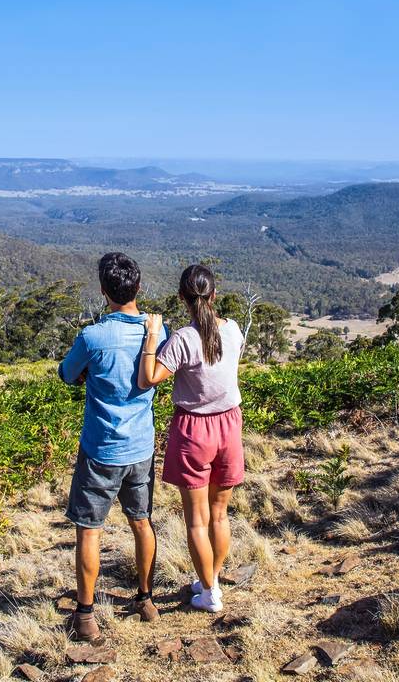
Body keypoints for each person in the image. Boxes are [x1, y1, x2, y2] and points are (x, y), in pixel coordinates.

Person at [58, 252, 166, 641]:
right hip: (141, 448)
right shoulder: (157, 332)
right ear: (139, 287)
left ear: (103, 291)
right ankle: (145, 599)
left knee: (89, 531)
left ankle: (86, 616)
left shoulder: (93, 337)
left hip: (100, 449)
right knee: (142, 521)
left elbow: (66, 374)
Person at [138, 263, 245, 613]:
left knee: (197, 520)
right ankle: (211, 581)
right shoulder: (233, 331)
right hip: (229, 426)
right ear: (214, 295)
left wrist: (152, 337)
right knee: (220, 515)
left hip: (194, 430)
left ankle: (210, 592)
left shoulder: (183, 339)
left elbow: (149, 378)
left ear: (182, 298)